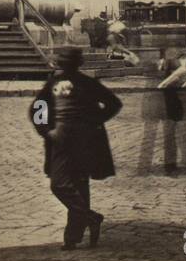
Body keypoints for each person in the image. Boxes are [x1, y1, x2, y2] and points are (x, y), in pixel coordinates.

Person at [31, 47, 123, 250]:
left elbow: (113, 103)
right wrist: (47, 131)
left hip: (83, 142)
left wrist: (92, 122)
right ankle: (92, 218)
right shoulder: (53, 83)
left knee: (79, 186)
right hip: (60, 141)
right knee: (60, 185)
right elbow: (37, 109)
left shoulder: (86, 83)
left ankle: (72, 238)